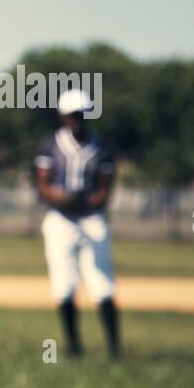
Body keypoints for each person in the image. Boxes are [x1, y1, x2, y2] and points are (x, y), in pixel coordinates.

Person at [33, 88, 121, 359]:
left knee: (101, 283)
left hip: (92, 219)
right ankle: (73, 346)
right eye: (72, 115)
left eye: (81, 114)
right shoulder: (51, 145)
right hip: (61, 220)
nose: (77, 120)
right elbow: (43, 185)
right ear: (63, 116)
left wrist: (88, 201)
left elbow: (105, 190)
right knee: (64, 284)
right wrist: (65, 199)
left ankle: (114, 349)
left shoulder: (101, 147)